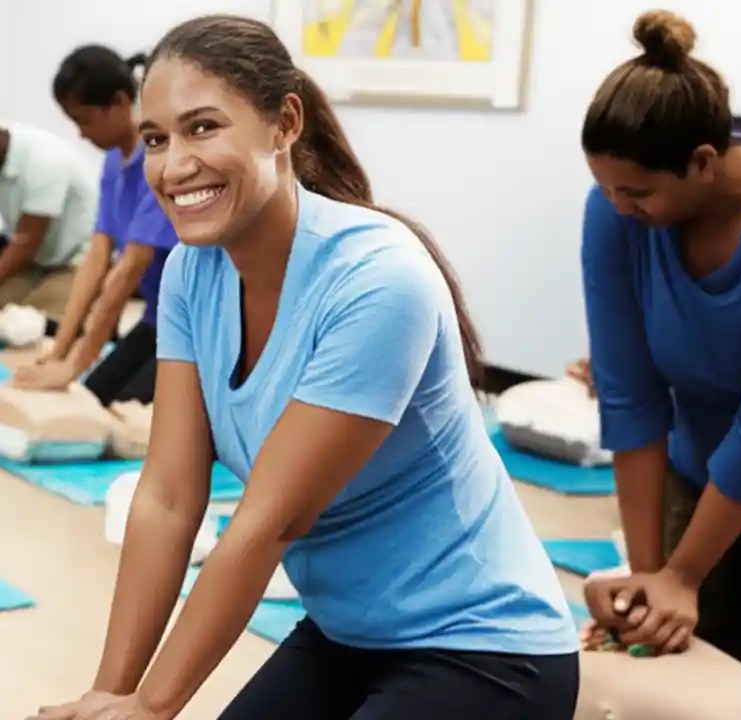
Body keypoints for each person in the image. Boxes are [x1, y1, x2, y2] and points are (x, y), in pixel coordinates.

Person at [33, 15, 578, 720]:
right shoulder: (191, 276)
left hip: (486, 650)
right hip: (345, 634)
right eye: (156, 139)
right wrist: (111, 695)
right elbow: (168, 496)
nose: (172, 166)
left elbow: (270, 522)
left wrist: (154, 707)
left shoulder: (378, 280)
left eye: (203, 127)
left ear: (284, 123)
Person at [580, 10, 741, 666]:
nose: (618, 207)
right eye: (605, 187)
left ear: (703, 162)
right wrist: (649, 582)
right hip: (698, 468)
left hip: (740, 462)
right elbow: (629, 395)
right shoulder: (614, 210)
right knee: (677, 658)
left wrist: (682, 577)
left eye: (637, 192)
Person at [13, 46, 178, 406]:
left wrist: (75, 364)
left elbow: (129, 269)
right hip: (158, 317)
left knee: (129, 413)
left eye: (84, 121)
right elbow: (97, 260)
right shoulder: (111, 163)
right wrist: (60, 352)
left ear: (120, 102)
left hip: (197, 326)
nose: (81, 135)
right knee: (93, 394)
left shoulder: (160, 160)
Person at [0, 105, 96, 319]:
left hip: (80, 257)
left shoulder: (43, 161)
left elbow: (28, 240)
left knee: (36, 319)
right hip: (38, 259)